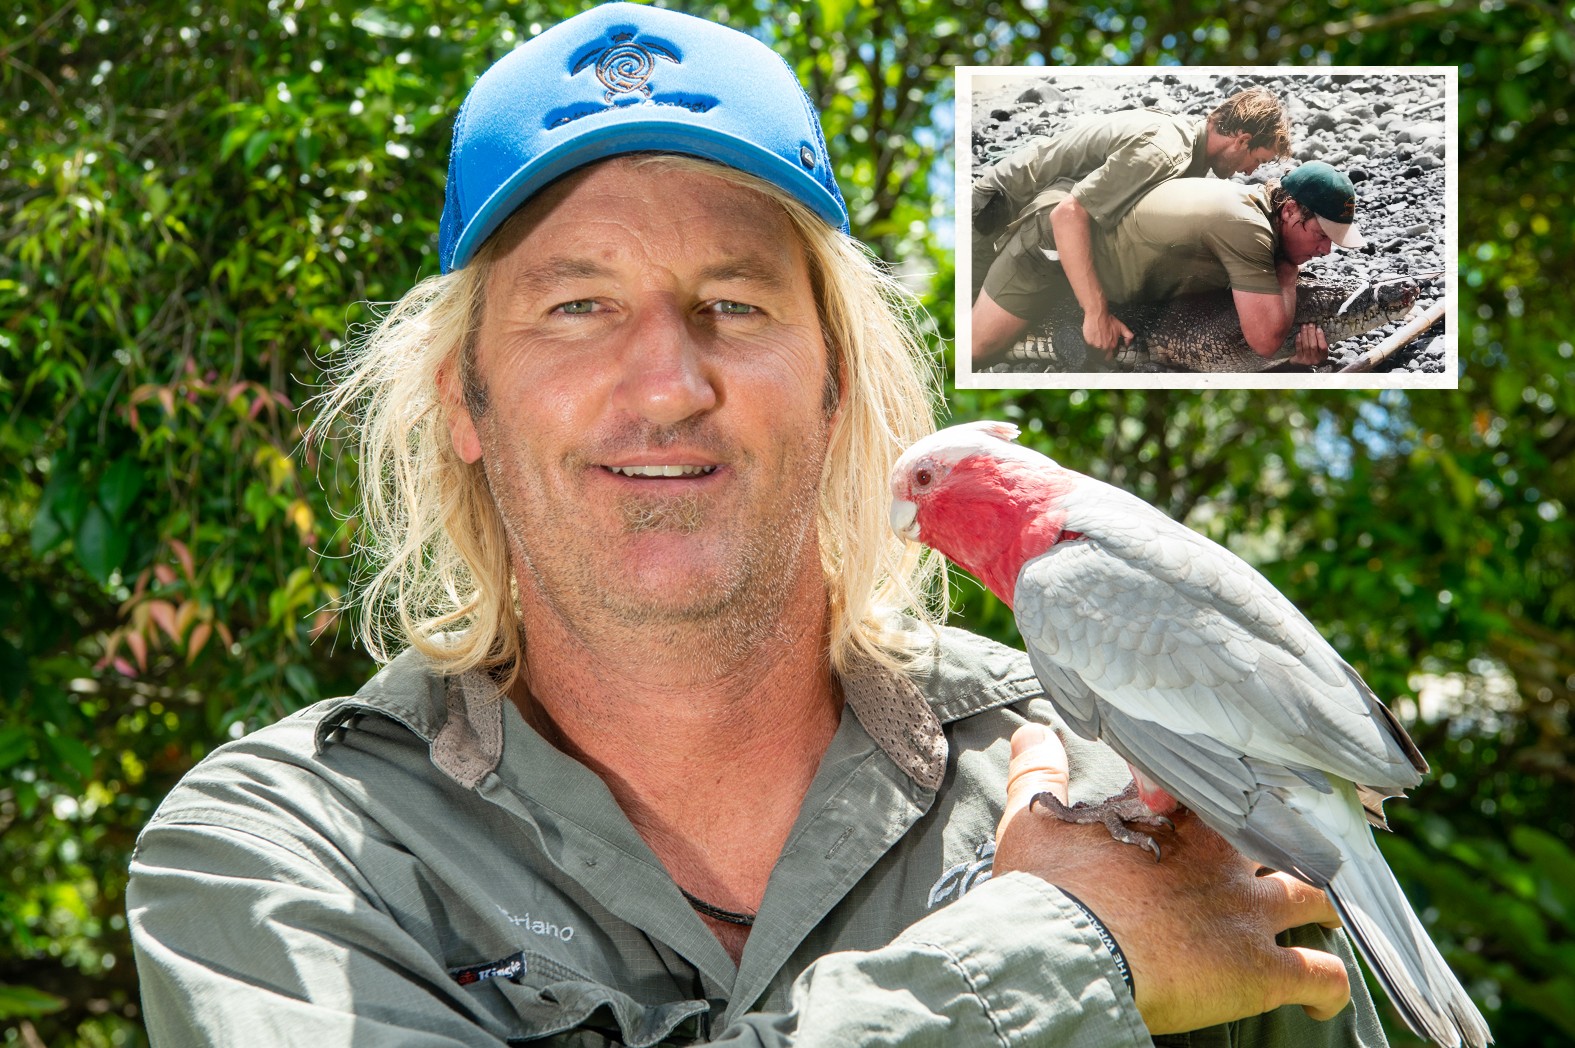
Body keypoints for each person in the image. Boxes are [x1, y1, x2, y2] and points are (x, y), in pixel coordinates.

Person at [127, 5, 1387, 1045]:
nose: (669, 383)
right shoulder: (283, 851)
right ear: (466, 397)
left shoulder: (1142, 782)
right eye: (575, 306)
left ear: (839, 385)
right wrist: (1055, 958)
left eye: (731, 303)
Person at [971, 87, 1292, 365]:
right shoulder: (1165, 152)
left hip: (1039, 209)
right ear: (1241, 140)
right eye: (1259, 160)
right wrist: (1096, 313)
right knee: (975, 351)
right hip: (998, 212)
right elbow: (1067, 214)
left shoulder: (1191, 153)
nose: (1251, 172)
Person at [1072, 161, 1367, 370]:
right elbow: (1265, 341)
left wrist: (1293, 361)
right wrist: (1288, 270)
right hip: (1080, 288)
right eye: (1322, 235)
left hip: (1121, 278)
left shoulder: (1256, 202)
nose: (1326, 250)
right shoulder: (1248, 227)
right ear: (1290, 210)